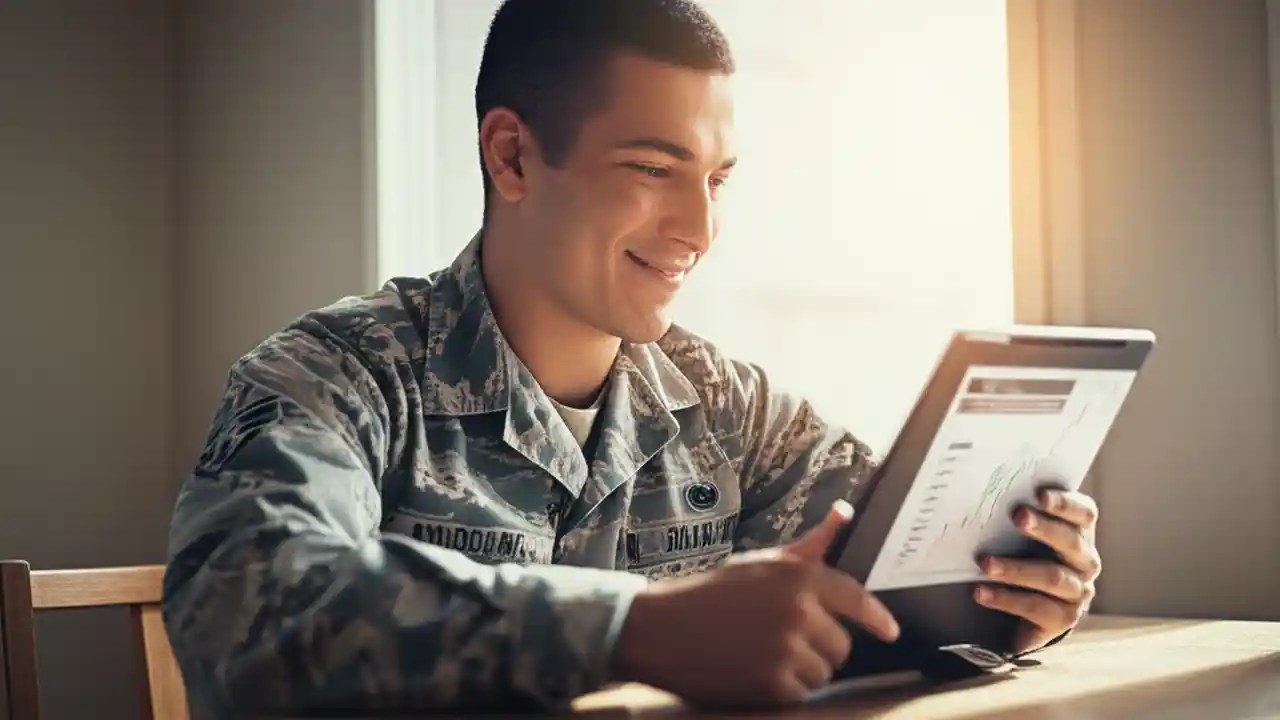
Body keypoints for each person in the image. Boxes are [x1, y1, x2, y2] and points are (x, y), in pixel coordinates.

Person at [163, 0, 1102, 715]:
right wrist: (627, 628)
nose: (699, 227)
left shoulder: (727, 406)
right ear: (513, 158)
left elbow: (889, 569)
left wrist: (1009, 592)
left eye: (717, 180)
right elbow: (245, 612)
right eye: (655, 170)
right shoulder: (335, 377)